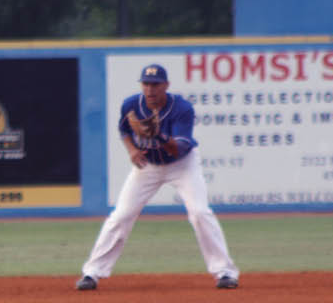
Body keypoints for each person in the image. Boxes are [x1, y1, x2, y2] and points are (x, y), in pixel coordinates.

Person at [75, 64, 240, 290]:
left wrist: (159, 135)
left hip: (182, 165)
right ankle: (92, 273)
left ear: (166, 85)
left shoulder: (182, 109)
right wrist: (132, 150)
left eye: (155, 84)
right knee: (121, 215)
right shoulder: (132, 104)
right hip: (148, 166)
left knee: (200, 212)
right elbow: (124, 130)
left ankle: (225, 272)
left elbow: (178, 150)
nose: (150, 90)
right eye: (146, 84)